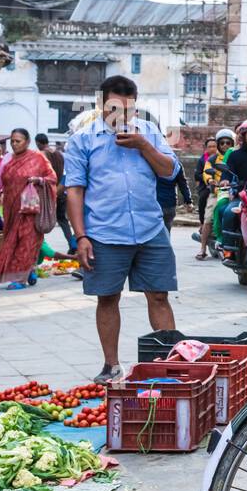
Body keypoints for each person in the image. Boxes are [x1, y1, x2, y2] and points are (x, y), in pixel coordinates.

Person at [64, 75, 180, 383]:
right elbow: (74, 190)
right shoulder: (83, 140)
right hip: (103, 231)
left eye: (129, 109)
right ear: (102, 105)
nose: (122, 116)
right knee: (108, 297)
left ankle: (167, 362)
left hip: (150, 226)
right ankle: (111, 364)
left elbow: (169, 172)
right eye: (115, 108)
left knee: (158, 295)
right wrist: (81, 237)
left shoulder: (150, 133)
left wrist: (143, 145)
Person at [0, 129, 57, 289]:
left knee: (27, 241)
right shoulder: (8, 159)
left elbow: (52, 178)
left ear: (27, 141)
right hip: (12, 209)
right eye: (12, 141)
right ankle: (29, 269)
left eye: (18, 141)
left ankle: (20, 278)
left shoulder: (38, 158)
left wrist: (38, 180)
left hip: (31, 209)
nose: (14, 144)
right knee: (13, 242)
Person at [196, 129, 235, 260]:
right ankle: (202, 249)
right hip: (217, 191)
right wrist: (210, 180)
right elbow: (206, 172)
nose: (225, 145)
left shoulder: (235, 156)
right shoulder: (213, 159)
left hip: (234, 191)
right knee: (208, 219)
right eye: (222, 143)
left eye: (228, 142)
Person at [36, 133, 76, 254]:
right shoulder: (59, 154)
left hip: (46, 192)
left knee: (40, 220)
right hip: (60, 190)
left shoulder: (41, 155)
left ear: (38, 143)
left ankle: (39, 247)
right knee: (62, 220)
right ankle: (72, 244)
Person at [193, 135, 217, 227]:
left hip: (220, 185)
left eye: (214, 146)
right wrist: (208, 178)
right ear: (206, 148)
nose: (212, 149)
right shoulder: (202, 160)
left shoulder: (221, 158)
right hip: (206, 186)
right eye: (209, 147)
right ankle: (203, 223)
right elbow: (197, 175)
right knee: (202, 199)